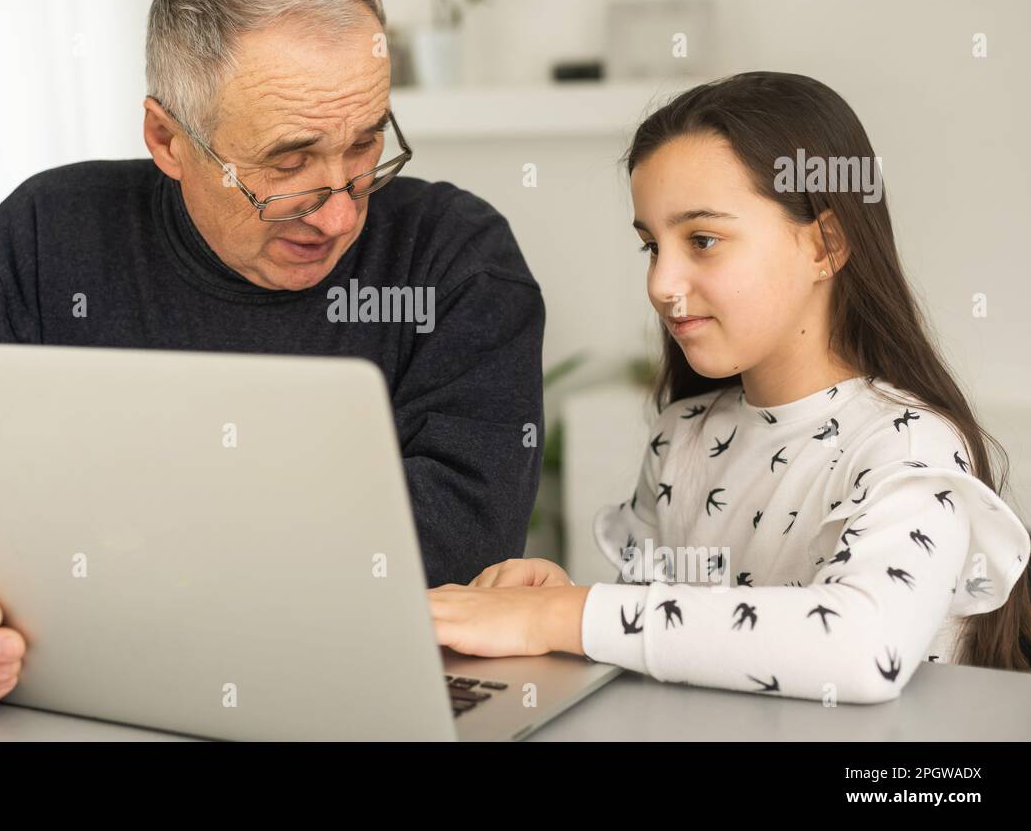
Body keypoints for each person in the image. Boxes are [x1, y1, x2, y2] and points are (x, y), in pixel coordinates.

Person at [0, 0, 544, 716]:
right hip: (58, 711)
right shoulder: (48, 234)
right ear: (167, 138)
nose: (341, 212)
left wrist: (104, 550)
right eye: (287, 164)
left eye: (366, 146)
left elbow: (457, 541)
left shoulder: (458, 261)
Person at [429, 72, 1031, 702]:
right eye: (650, 246)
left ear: (826, 245)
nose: (663, 282)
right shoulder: (681, 436)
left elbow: (864, 650)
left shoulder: (911, 449)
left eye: (703, 240)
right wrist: (559, 607)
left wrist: (566, 616)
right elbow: (658, 639)